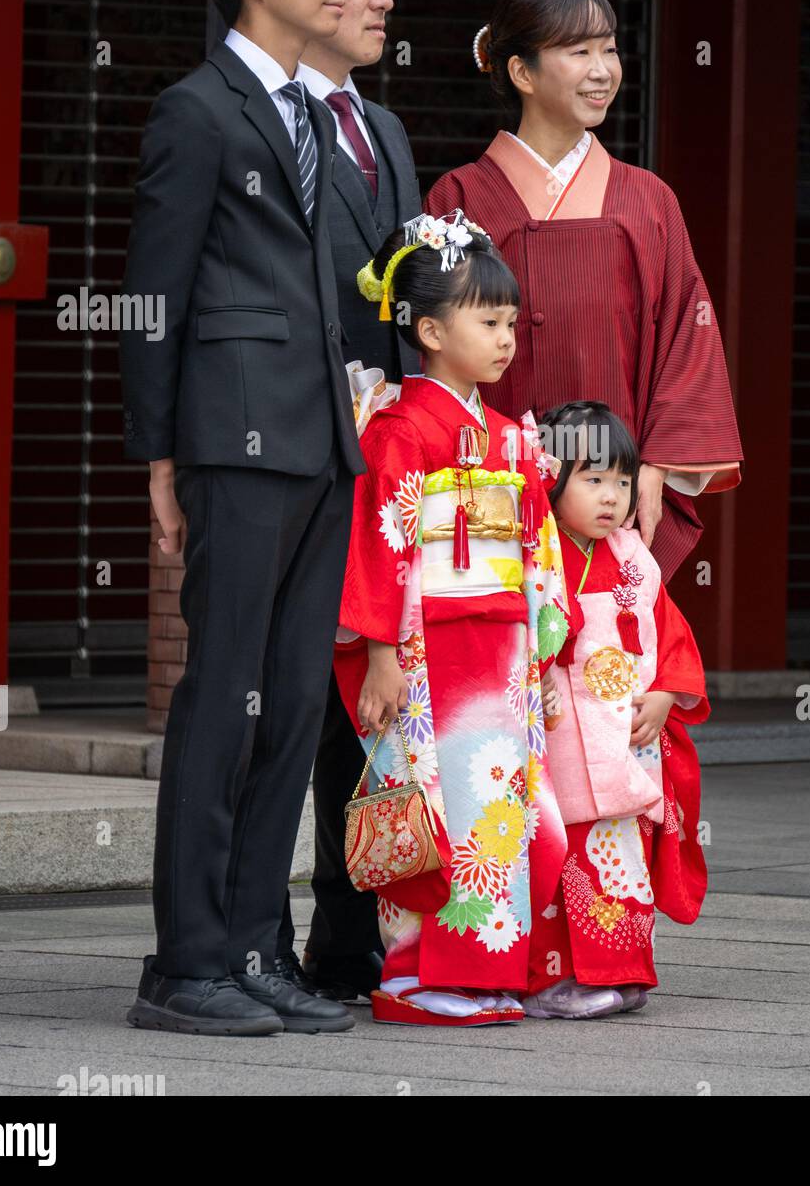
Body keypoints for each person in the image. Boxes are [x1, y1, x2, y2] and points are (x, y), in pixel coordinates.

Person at [119, 0, 359, 1035]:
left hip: (327, 445)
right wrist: (158, 457)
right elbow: (152, 293)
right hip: (234, 439)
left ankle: (260, 945)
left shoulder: (321, 117)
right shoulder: (196, 109)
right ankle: (186, 961)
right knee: (224, 695)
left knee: (297, 701)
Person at [332, 210, 574, 1026]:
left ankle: (488, 972)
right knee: (437, 804)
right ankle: (414, 978)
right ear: (429, 330)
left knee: (500, 808)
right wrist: (380, 654)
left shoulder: (510, 440)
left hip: (501, 656)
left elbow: (540, 553)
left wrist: (544, 655)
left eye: (511, 322)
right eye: (488, 321)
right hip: (429, 652)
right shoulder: (401, 430)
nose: (506, 339)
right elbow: (386, 542)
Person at [424, 0, 743, 584]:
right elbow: (432, 350)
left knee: (603, 665)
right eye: (579, 52)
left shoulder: (648, 200)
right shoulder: (459, 197)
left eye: (610, 48)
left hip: (607, 495)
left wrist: (652, 468)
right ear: (522, 71)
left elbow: (688, 338)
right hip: (489, 489)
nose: (603, 70)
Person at [273, 0, 423, 1004]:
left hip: (385, 464)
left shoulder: (389, 130)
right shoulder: (277, 123)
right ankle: (253, 933)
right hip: (298, 444)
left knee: (368, 700)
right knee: (291, 692)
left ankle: (350, 926)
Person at [520, 402, 709, 1018]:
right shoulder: (536, 554)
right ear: (552, 479)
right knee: (560, 853)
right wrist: (530, 679)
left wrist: (663, 693)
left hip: (623, 740)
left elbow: (669, 632)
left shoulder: (634, 560)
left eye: (622, 482)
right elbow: (515, 633)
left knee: (619, 855)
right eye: (593, 479)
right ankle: (552, 982)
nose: (612, 498)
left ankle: (623, 971)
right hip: (561, 742)